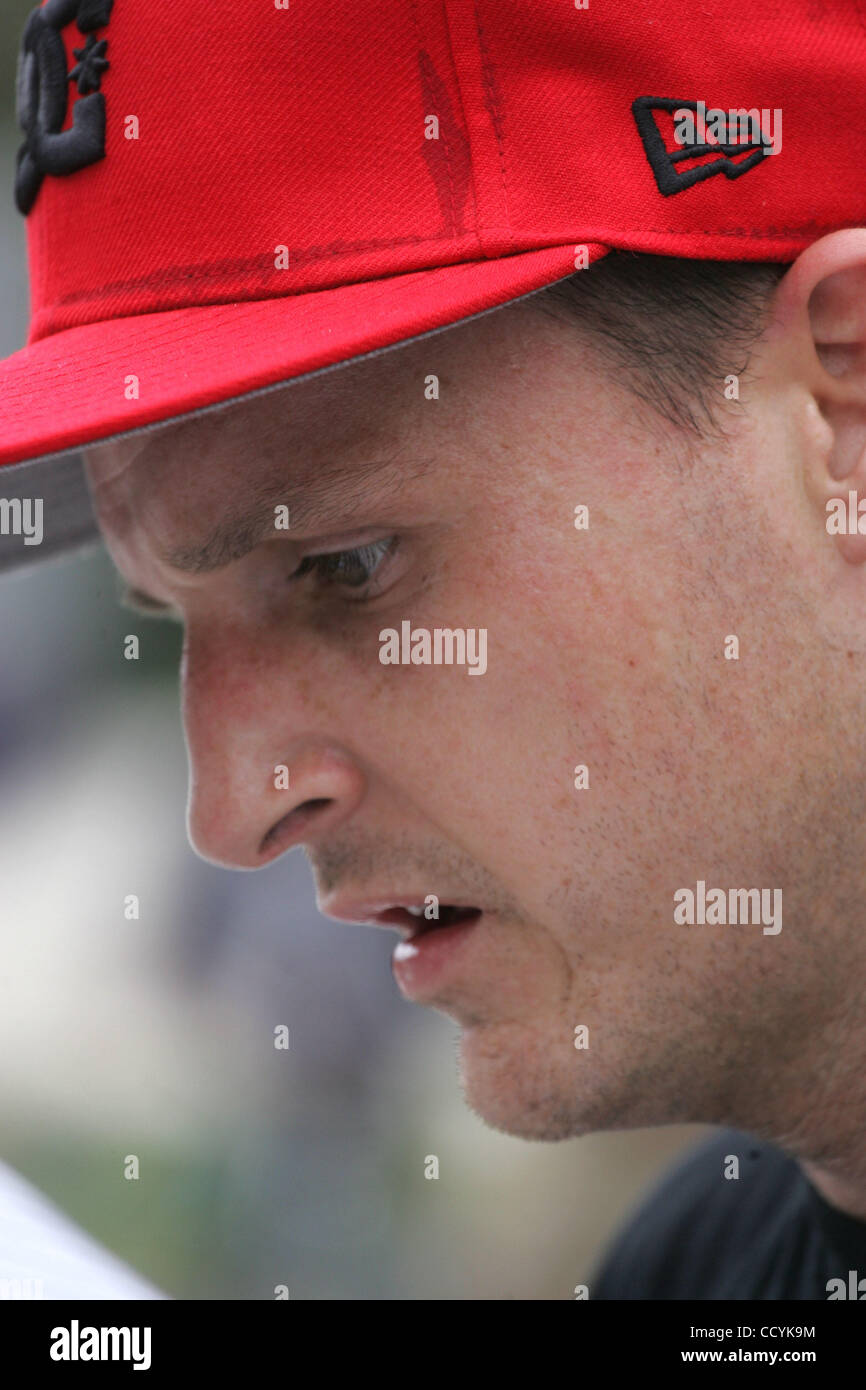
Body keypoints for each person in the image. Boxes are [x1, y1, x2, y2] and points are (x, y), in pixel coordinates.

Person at [1, 0, 865, 1301]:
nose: (231, 814)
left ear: (842, 406)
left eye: (345, 566)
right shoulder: (698, 1271)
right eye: (169, 617)